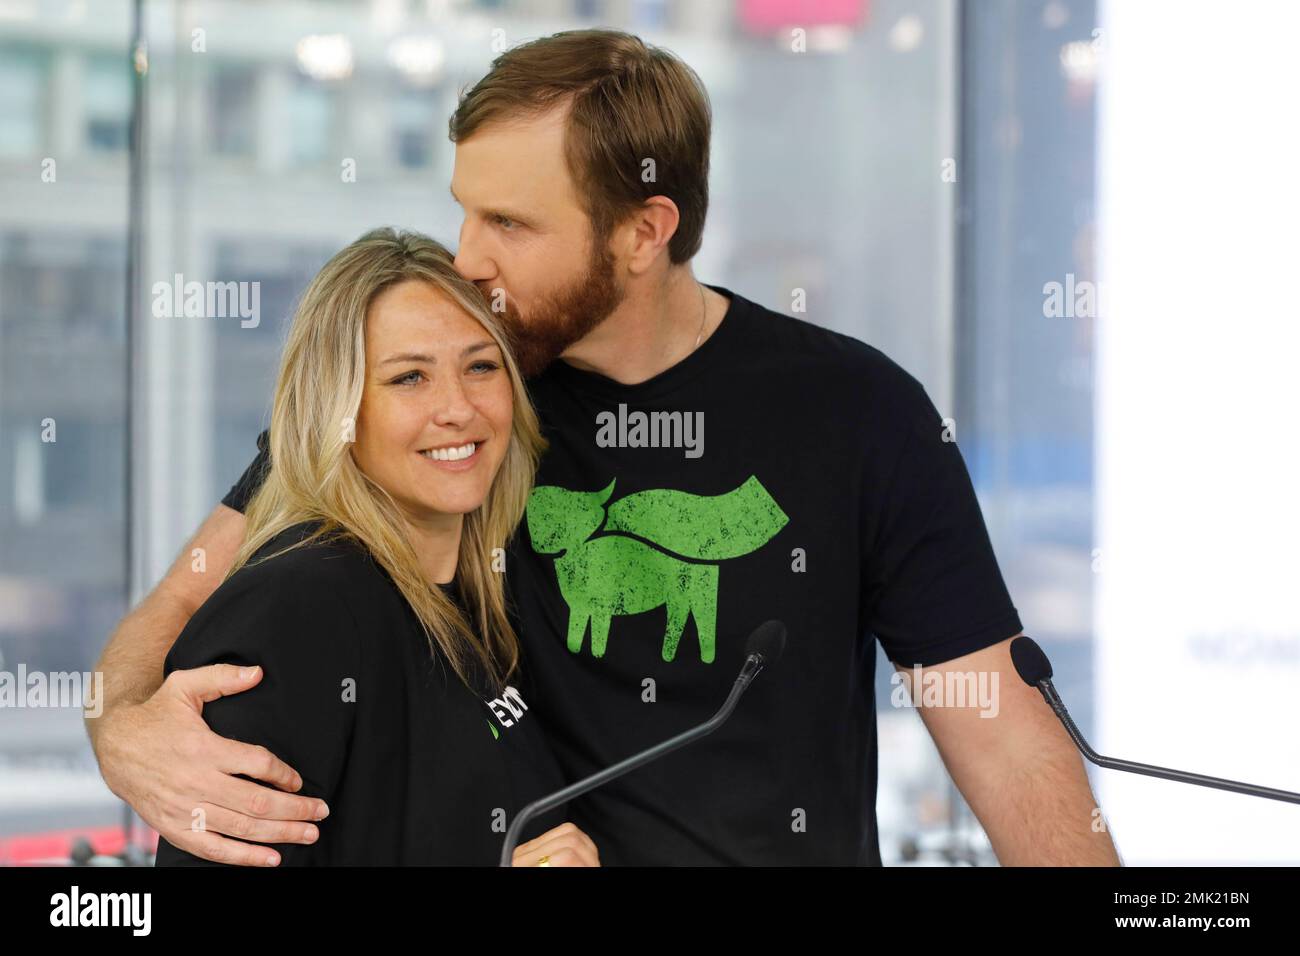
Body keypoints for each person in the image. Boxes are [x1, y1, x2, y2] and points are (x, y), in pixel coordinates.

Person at [89, 29, 1119, 866]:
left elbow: (1003, 735)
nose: (468, 259)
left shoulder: (860, 411)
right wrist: (118, 726)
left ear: (642, 230)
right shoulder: (452, 396)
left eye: (509, 222)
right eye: (464, 211)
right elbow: (192, 596)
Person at [151, 227, 598, 866]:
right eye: (409, 377)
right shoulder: (298, 610)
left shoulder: (474, 602)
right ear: (338, 411)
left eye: (480, 366)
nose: (458, 409)